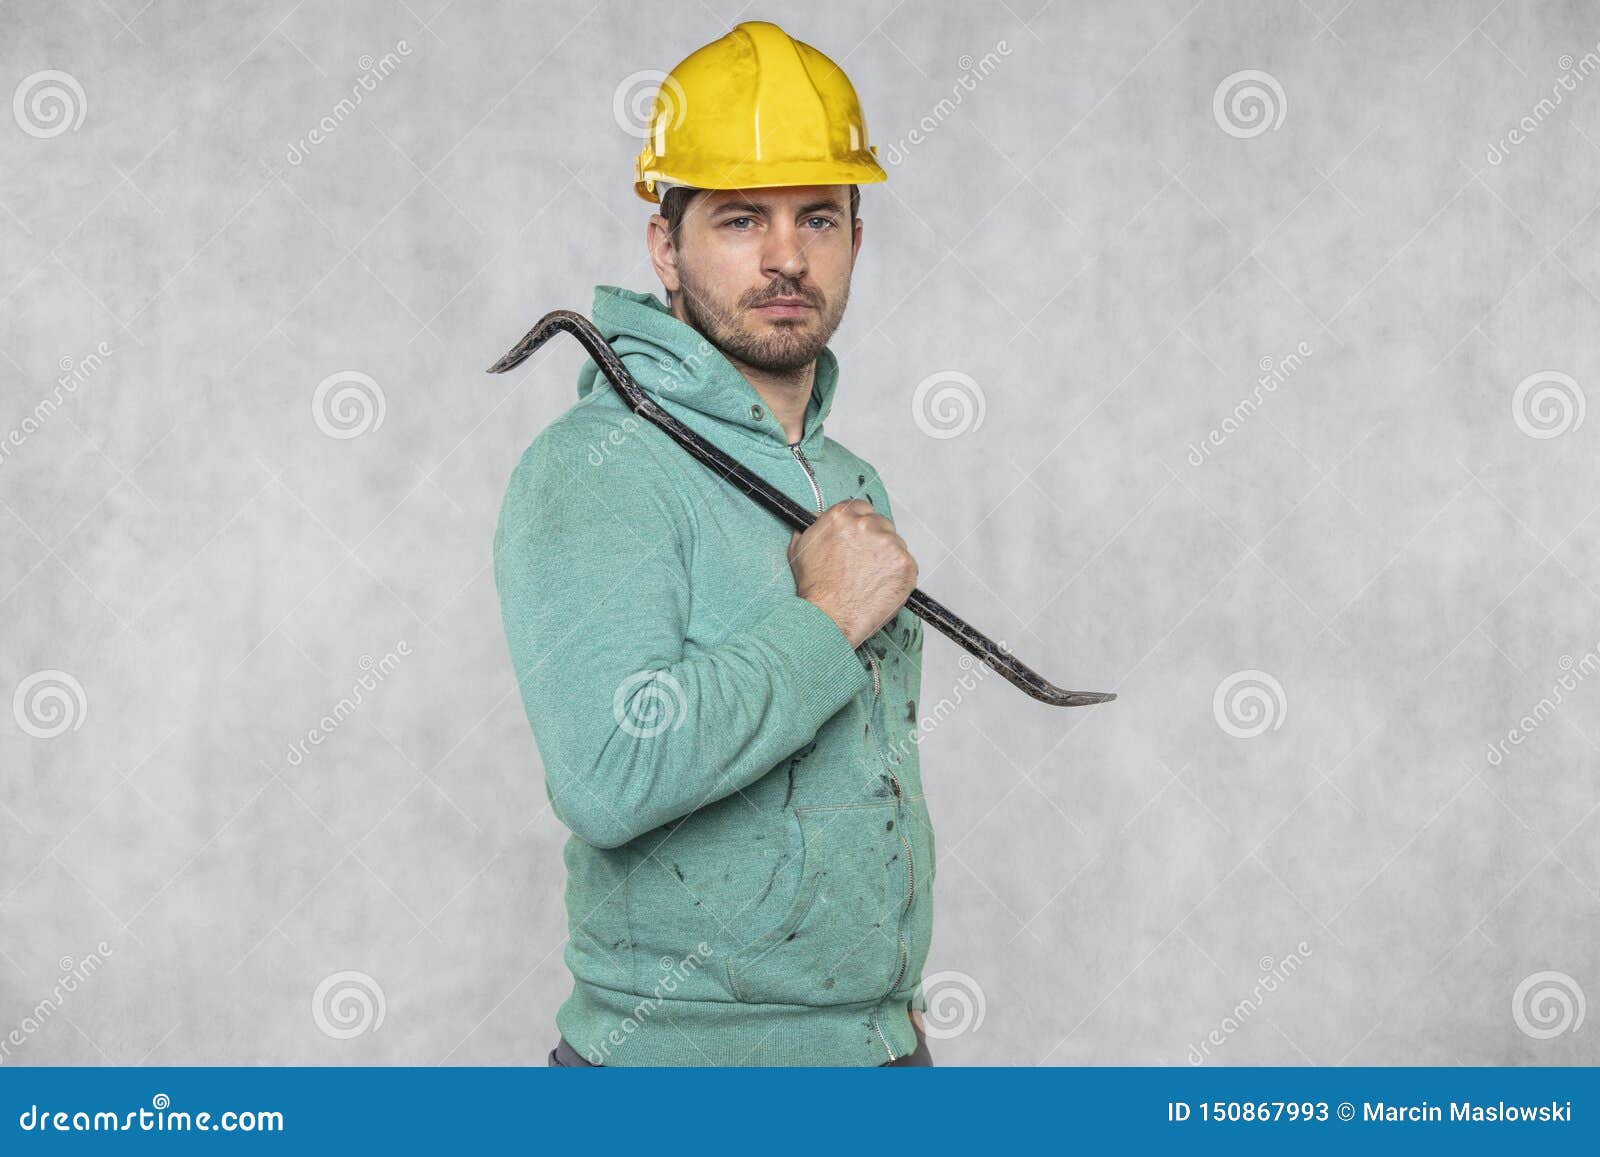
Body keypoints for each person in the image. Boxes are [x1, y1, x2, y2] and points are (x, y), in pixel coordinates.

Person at [493, 19, 935, 1067]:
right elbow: (608, 776)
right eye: (741, 220)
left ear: (856, 242)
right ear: (666, 246)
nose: (787, 257)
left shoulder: (849, 480)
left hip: (878, 1054)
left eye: (818, 218)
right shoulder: (598, 467)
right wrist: (822, 620)